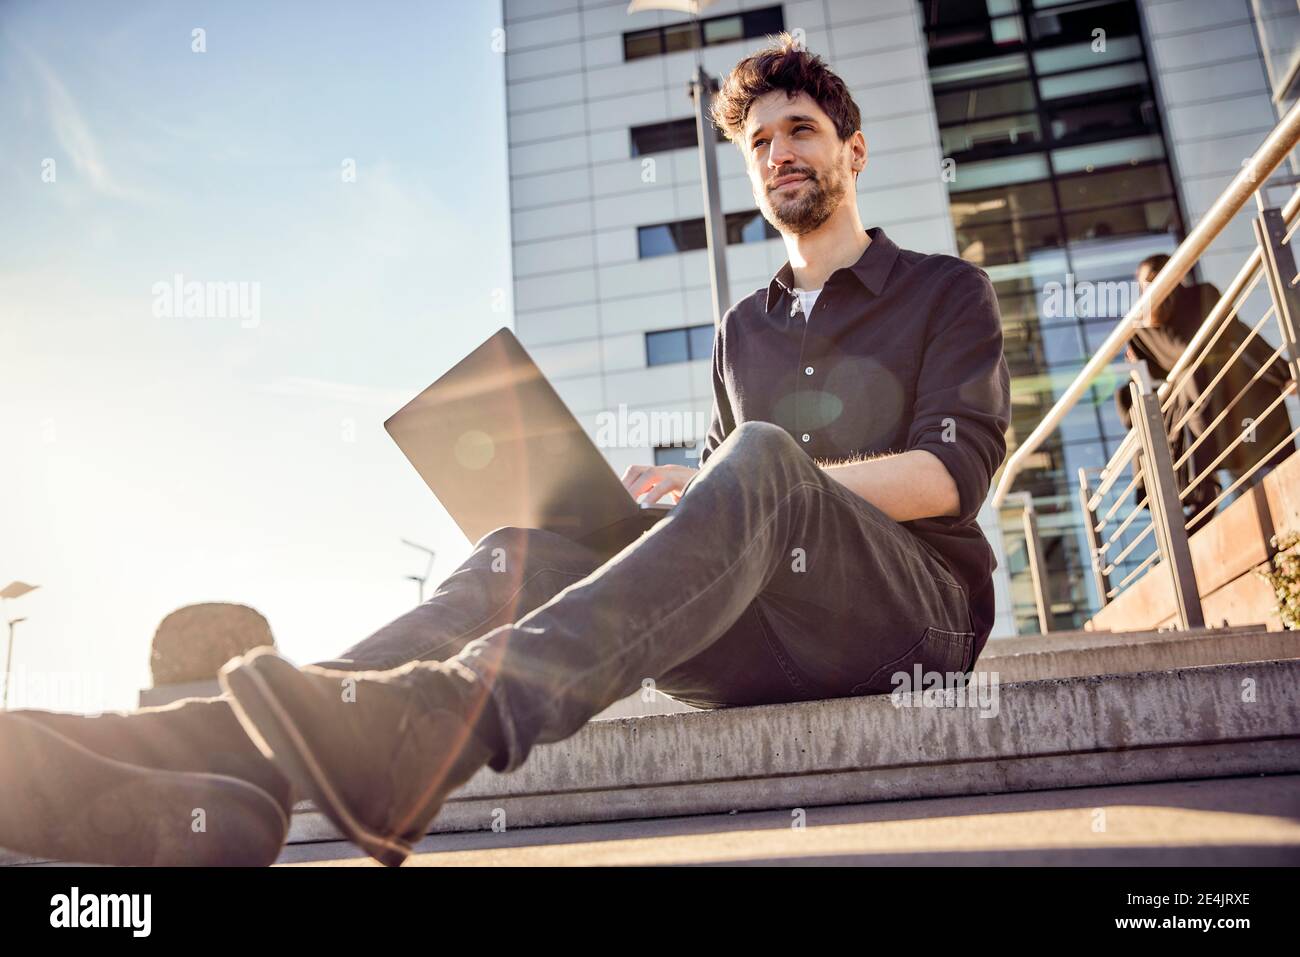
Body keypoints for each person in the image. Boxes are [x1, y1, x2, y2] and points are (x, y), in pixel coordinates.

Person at [0, 33, 1010, 868]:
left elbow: (944, 480)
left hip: (910, 622)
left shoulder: (942, 292)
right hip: (756, 633)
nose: (780, 150)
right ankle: (187, 759)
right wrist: (680, 501)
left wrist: (757, 485)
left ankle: (428, 725)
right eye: (758, 141)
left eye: (801, 130)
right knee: (526, 545)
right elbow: (731, 485)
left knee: (755, 462)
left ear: (854, 152)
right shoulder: (741, 330)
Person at [1116, 254, 1294, 525]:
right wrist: (1283, 373)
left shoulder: (1147, 325)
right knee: (1261, 477)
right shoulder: (1156, 320)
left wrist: (1284, 373)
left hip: (1216, 407)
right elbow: (1239, 336)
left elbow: (1240, 335)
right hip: (1223, 404)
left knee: (1257, 479)